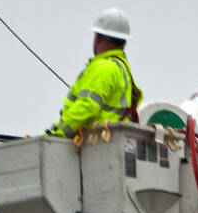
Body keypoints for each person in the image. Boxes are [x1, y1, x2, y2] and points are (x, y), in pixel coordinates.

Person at [47, 8, 142, 139]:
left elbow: (87, 106)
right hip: (109, 141)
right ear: (124, 42)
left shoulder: (104, 67)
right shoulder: (120, 67)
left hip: (95, 144)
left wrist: (58, 134)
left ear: (98, 38)